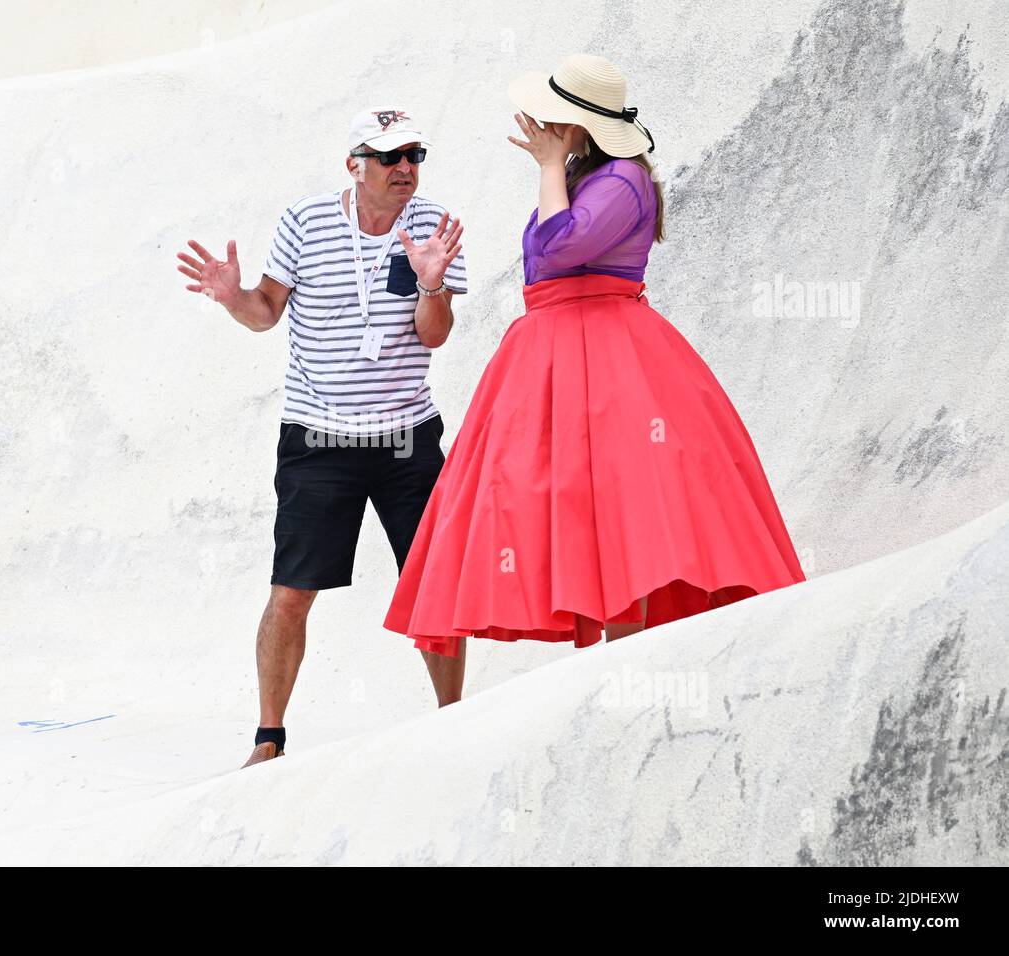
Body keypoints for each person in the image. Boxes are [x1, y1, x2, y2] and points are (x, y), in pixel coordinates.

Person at [384, 54, 806, 660]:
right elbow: (543, 259)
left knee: (619, 501)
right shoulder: (586, 174)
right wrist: (557, 168)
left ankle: (621, 665)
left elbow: (560, 243)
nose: (542, 125)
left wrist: (551, 167)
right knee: (574, 503)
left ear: (578, 123)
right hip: (554, 347)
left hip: (607, 351)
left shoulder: (624, 179)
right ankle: (600, 670)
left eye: (555, 117)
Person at [176, 108, 468, 767]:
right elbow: (265, 313)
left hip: (405, 439)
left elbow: (435, 334)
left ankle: (451, 722)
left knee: (433, 583)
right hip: (319, 438)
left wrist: (432, 281)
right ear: (354, 165)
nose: (404, 169)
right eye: (389, 156)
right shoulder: (305, 221)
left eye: (415, 155)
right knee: (291, 592)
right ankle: (269, 738)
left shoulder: (435, 227)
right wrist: (231, 295)